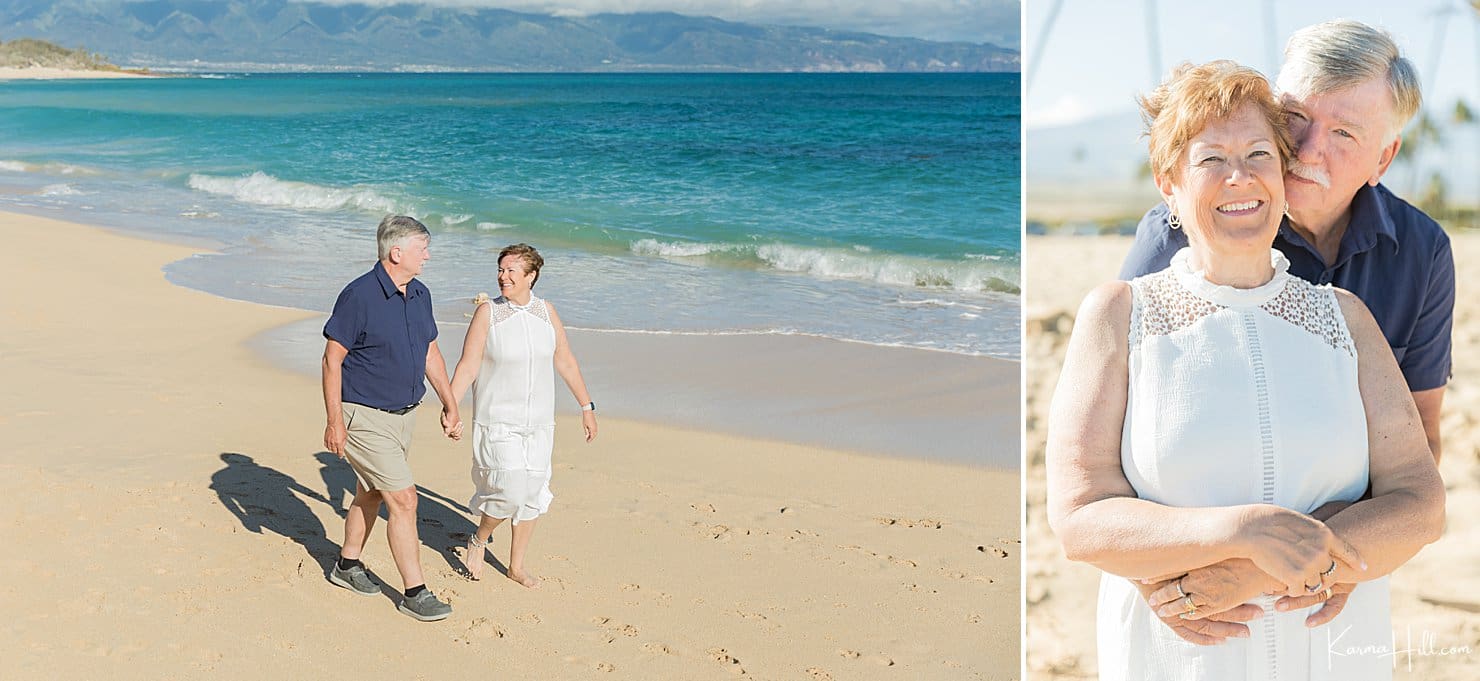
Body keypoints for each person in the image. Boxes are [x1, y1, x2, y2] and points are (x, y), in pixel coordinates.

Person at [1046, 61, 1445, 680]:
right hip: (1180, 659)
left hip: (1333, 654)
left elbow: (1419, 502)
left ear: (1282, 178)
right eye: (1210, 160)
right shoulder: (1119, 315)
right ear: (1167, 182)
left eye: (1259, 153)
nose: (1240, 177)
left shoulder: (1346, 320)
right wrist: (1241, 529)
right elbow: (1079, 517)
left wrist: (1263, 567)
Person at [1120, 20, 1454, 466]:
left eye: (1343, 133)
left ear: (1383, 158)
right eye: (1295, 117)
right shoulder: (1179, 233)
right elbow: (1115, 426)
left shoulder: (1421, 250)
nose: (1306, 149)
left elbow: (1422, 439)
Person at [321, 215, 461, 622]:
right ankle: (415, 592)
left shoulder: (420, 294)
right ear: (396, 252)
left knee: (371, 493)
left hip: (405, 416)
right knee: (404, 499)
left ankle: (346, 566)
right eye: (422, 249)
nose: (428, 256)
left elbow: (430, 352)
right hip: (363, 414)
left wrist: (449, 402)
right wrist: (335, 422)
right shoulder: (359, 296)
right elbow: (332, 361)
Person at [447, 243, 597, 588]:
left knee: (531, 495)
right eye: (501, 270)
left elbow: (565, 360)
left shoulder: (546, 311)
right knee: (509, 491)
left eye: (511, 271)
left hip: (540, 422)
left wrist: (586, 406)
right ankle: (479, 539)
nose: (503, 276)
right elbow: (468, 364)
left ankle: (516, 566)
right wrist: (451, 407)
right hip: (498, 419)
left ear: (531, 276)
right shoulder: (488, 313)